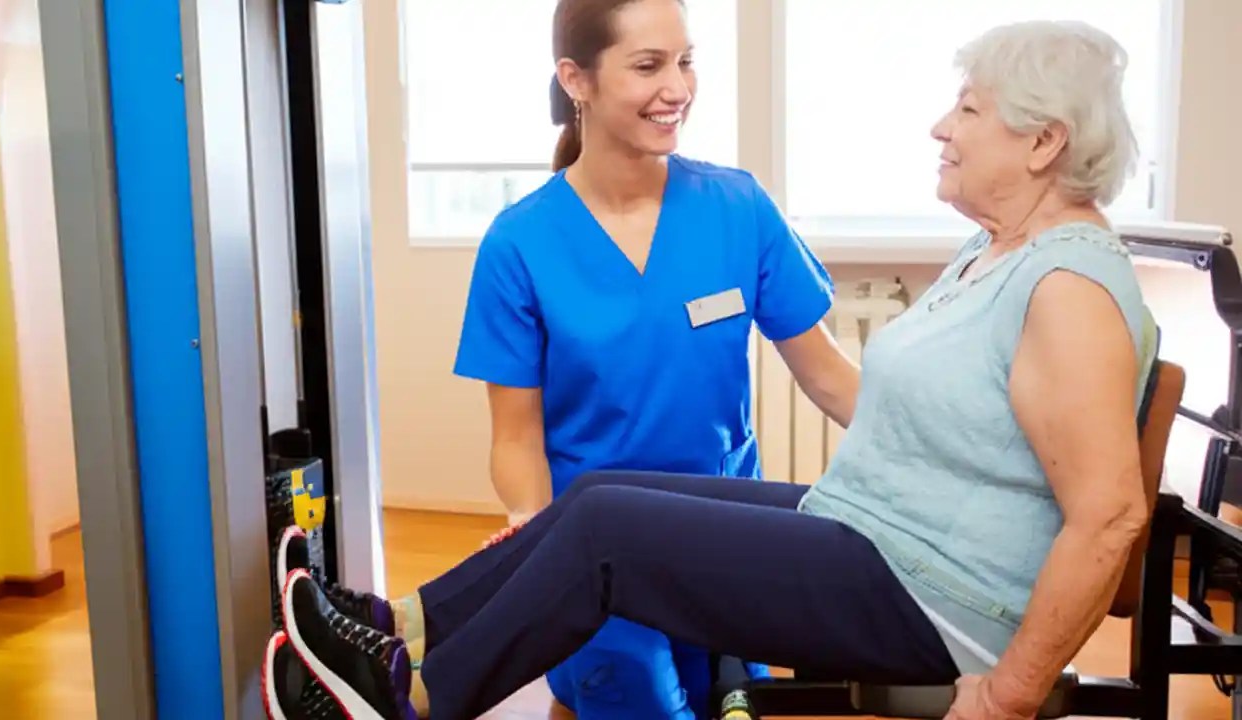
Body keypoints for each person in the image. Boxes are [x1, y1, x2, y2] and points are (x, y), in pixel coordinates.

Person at [271, 16, 1156, 720]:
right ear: (578, 84)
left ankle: (401, 700)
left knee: (606, 528)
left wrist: (1009, 694)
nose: (940, 125)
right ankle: (393, 629)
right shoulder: (995, 252)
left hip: (930, 593)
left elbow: (1111, 512)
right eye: (650, 64)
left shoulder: (1067, 285)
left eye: (966, 108)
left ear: (1042, 143)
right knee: (598, 496)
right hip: (878, 536)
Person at [445, 0, 859, 717]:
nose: (679, 88)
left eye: (686, 60)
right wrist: (528, 521)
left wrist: (936, 466)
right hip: (595, 556)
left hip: (725, 540)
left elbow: (827, 376)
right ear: (577, 80)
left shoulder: (738, 207)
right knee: (634, 699)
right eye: (648, 66)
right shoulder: (519, 244)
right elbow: (514, 434)